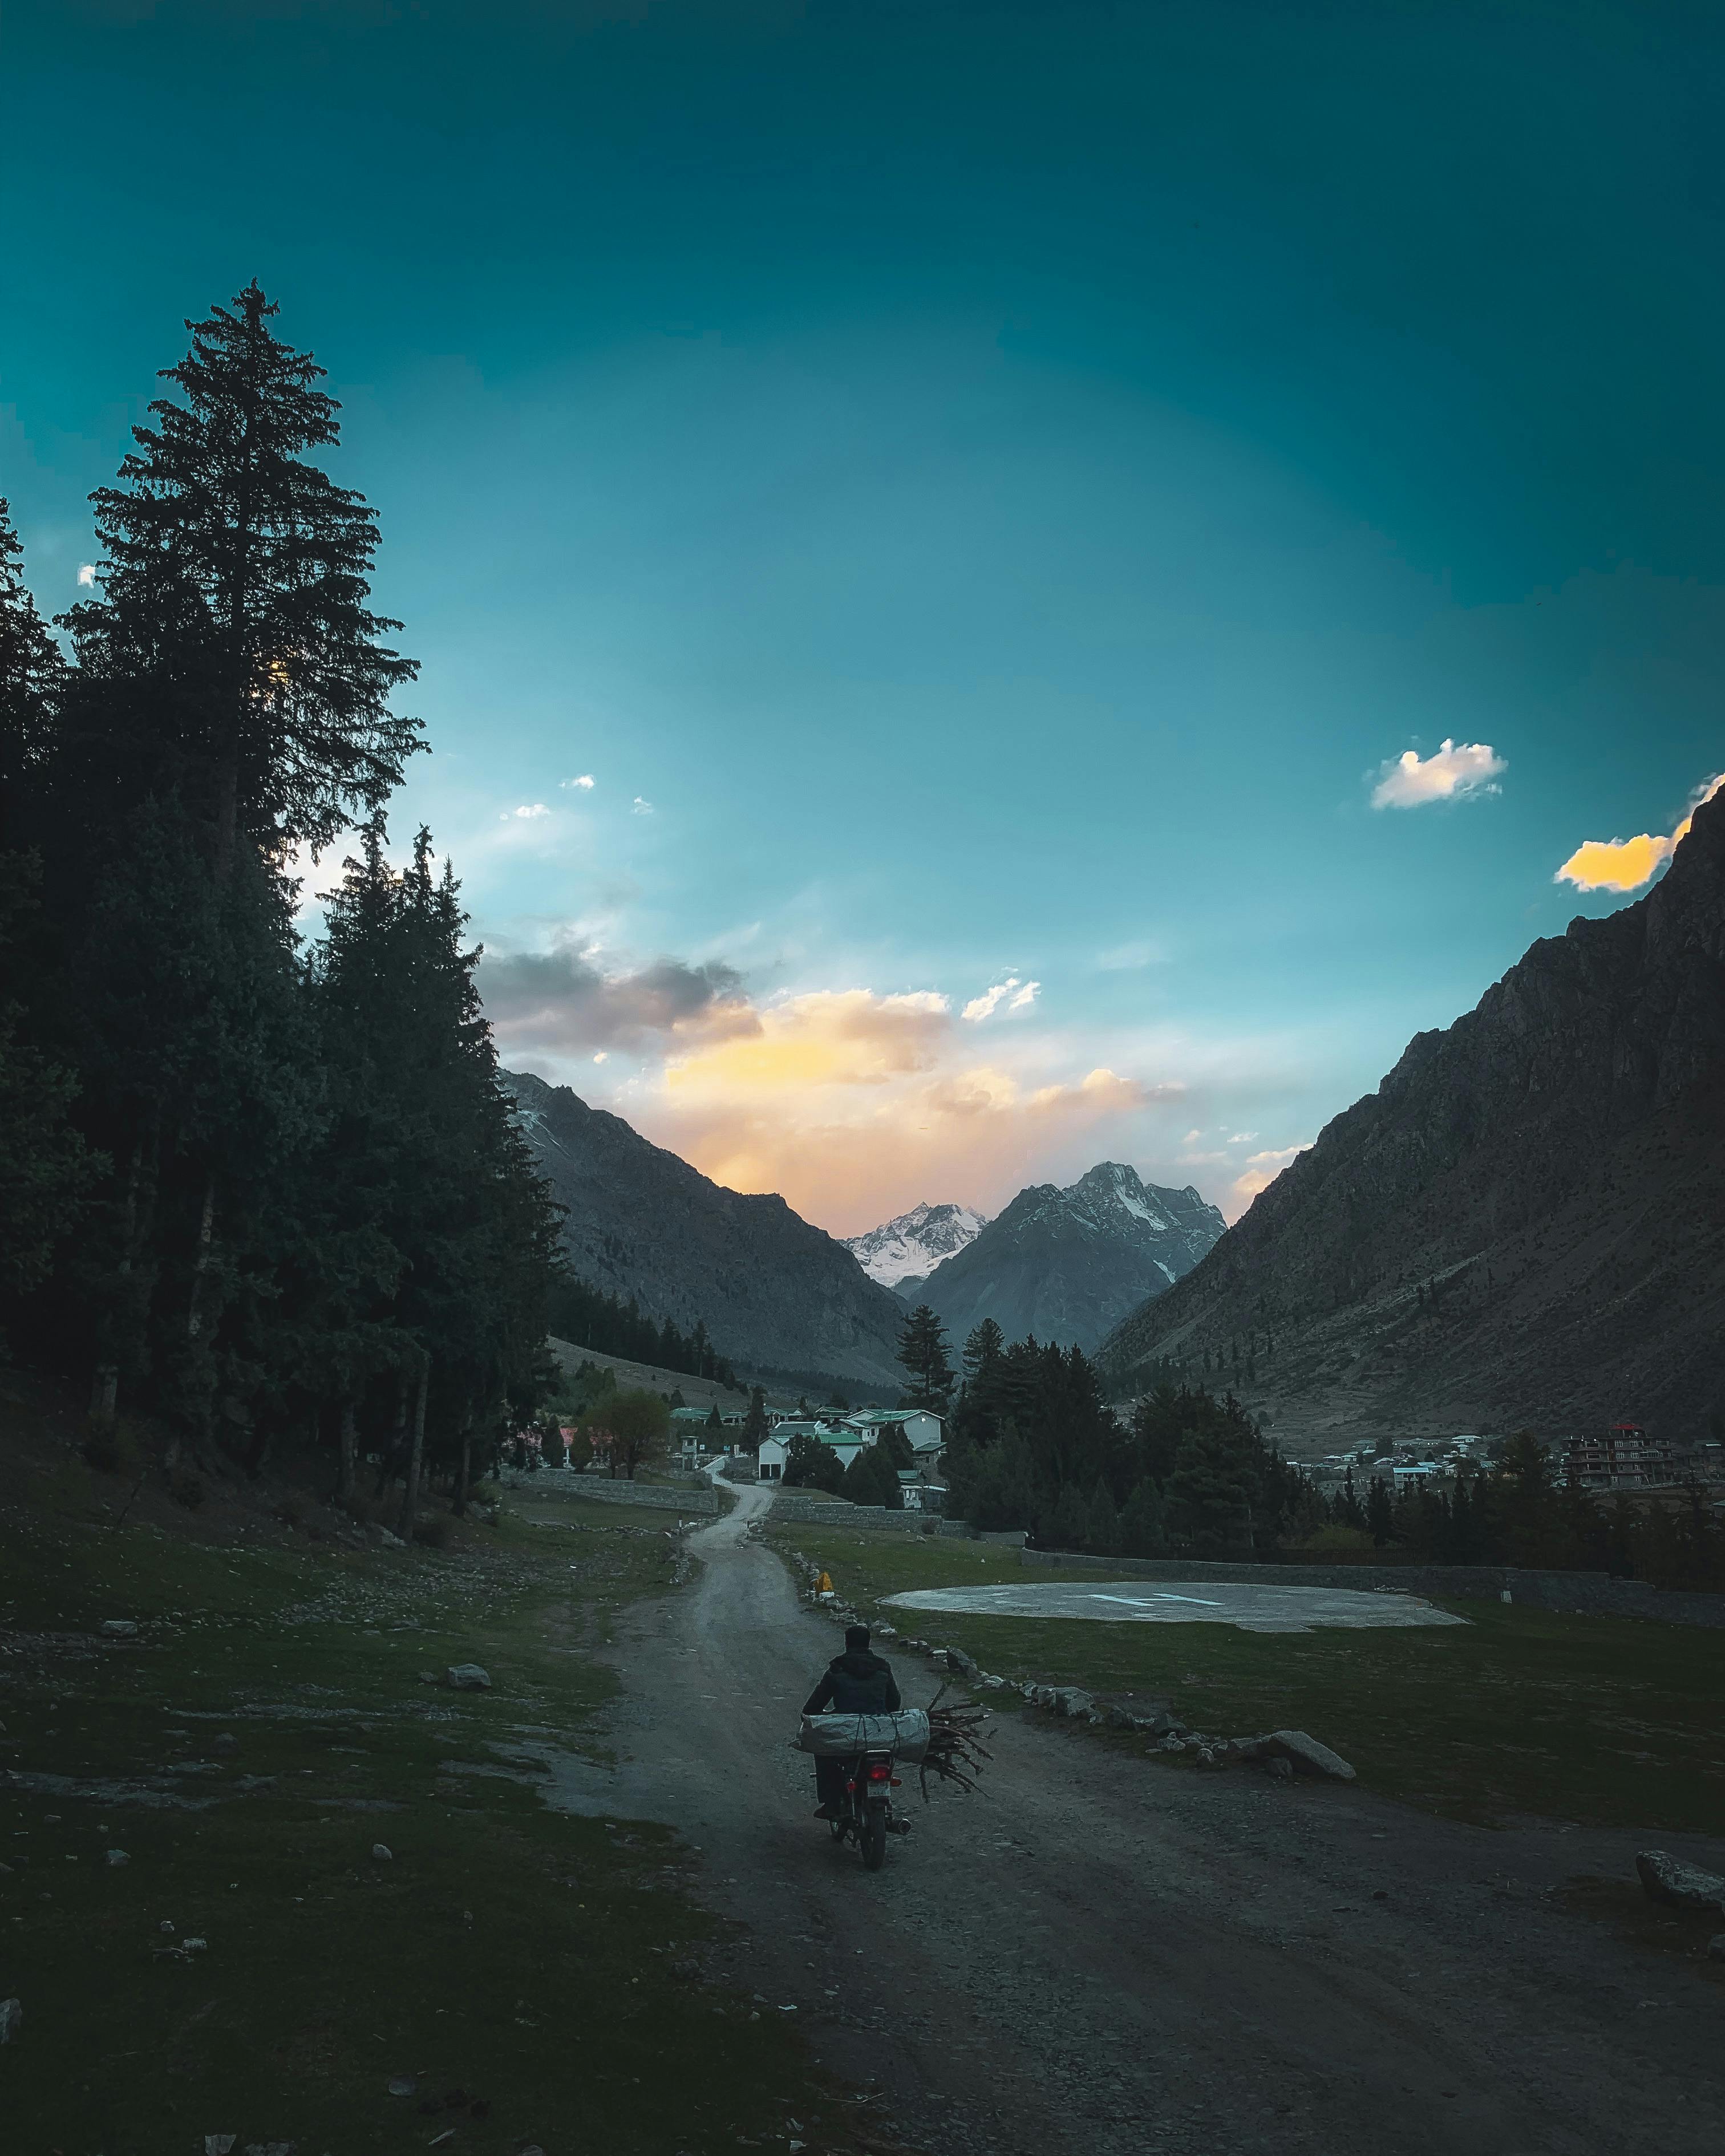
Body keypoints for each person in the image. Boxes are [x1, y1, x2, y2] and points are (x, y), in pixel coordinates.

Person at [802, 1623, 901, 1820]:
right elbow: (894, 1702)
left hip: (846, 1731)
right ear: (868, 1643)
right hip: (878, 1729)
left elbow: (813, 1706)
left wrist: (817, 1715)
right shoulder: (883, 1668)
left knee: (823, 1753)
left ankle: (831, 1803)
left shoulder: (837, 1669)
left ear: (847, 1644)